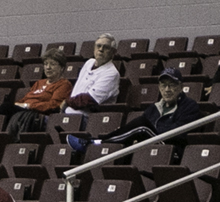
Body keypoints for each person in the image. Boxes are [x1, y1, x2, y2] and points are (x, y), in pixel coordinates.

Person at [68, 67, 201, 157]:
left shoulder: (189, 106)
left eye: (171, 85)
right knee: (137, 129)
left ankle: (95, 143)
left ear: (180, 87)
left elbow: (179, 133)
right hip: (147, 151)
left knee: (142, 126)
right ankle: (97, 145)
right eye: (163, 85)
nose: (167, 89)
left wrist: (146, 134)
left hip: (170, 151)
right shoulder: (154, 108)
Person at [0, 49, 73, 140]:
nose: (48, 67)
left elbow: (53, 105)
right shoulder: (39, 83)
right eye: (46, 64)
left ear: (62, 68)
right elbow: (25, 99)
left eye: (52, 64)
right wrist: (18, 104)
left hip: (36, 113)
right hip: (25, 110)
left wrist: (28, 105)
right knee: (6, 107)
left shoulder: (64, 84)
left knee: (5, 108)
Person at [63, 33, 120, 119]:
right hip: (67, 113)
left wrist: (67, 102)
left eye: (106, 47)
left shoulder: (112, 73)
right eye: (98, 46)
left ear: (113, 52)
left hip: (87, 118)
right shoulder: (88, 63)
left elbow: (89, 100)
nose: (101, 49)